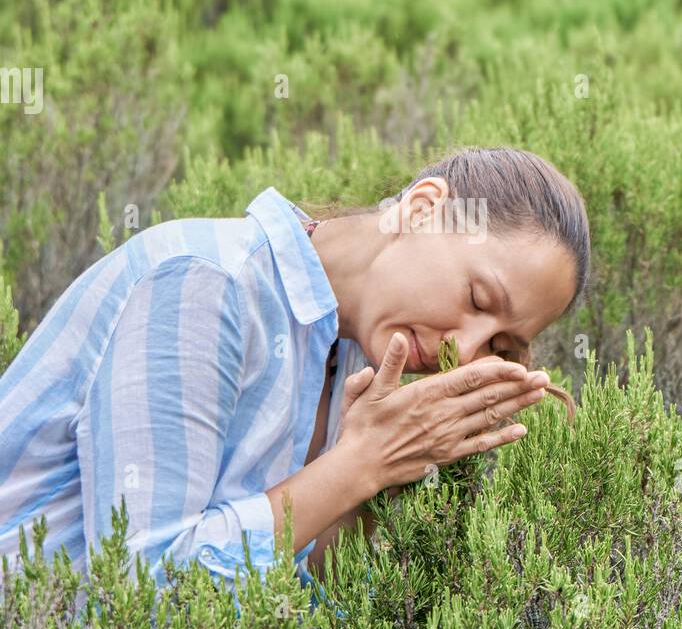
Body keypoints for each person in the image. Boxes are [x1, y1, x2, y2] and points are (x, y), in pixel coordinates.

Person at [0, 146, 589, 602]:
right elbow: (146, 589)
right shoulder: (207, 283)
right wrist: (360, 464)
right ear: (422, 208)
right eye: (477, 296)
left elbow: (299, 615)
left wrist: (375, 486)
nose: (461, 347)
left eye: (500, 344)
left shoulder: (354, 357)